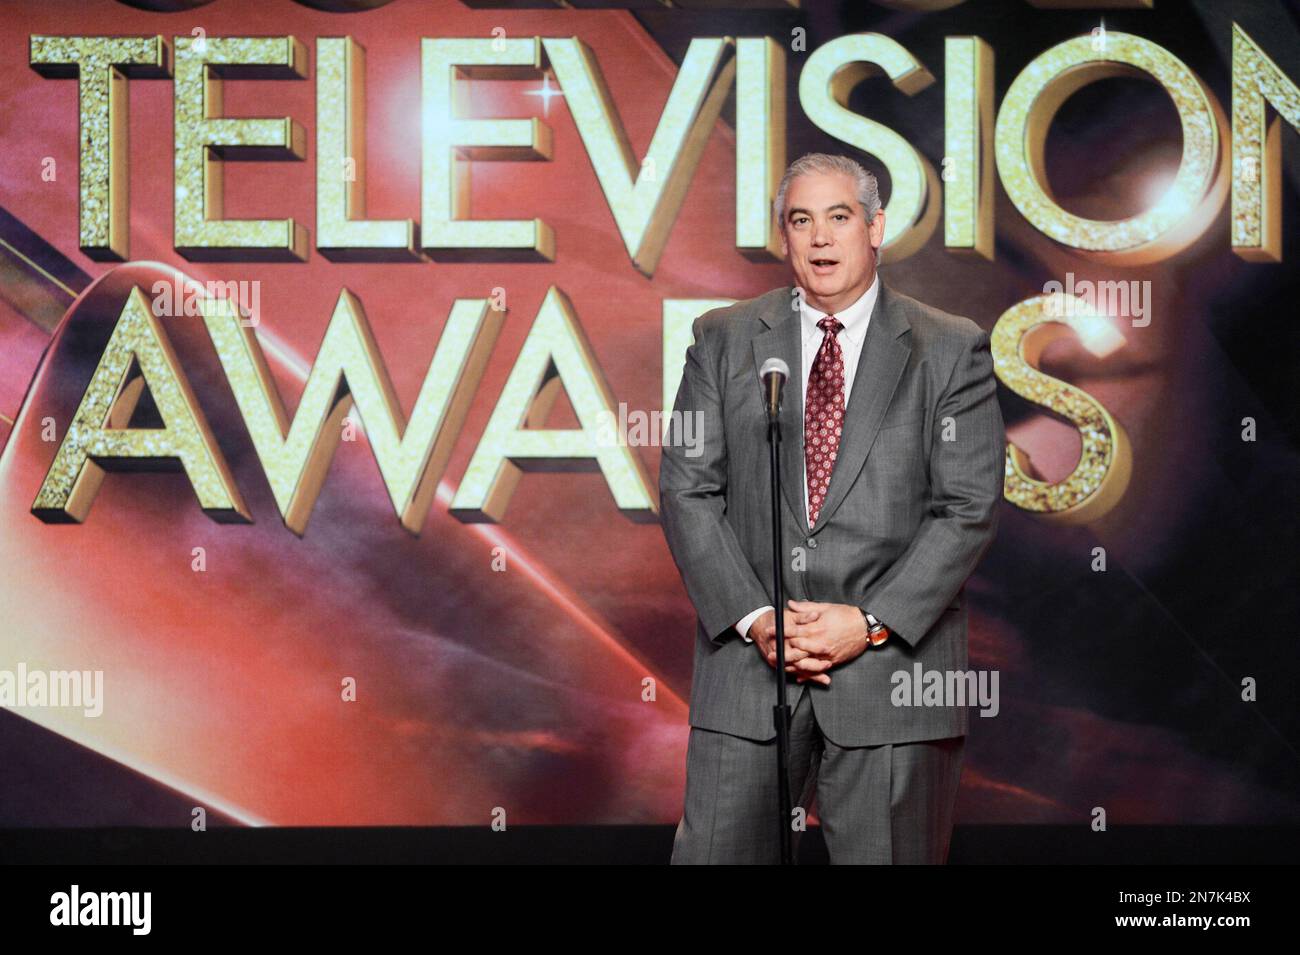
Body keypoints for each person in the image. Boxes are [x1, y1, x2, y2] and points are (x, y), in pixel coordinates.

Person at [659, 152, 1005, 864]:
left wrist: (870, 623)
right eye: (801, 220)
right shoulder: (722, 339)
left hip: (893, 684)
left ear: (876, 228)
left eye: (839, 218)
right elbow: (687, 488)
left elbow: (967, 506)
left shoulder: (949, 346)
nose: (820, 239)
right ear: (783, 236)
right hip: (750, 680)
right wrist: (759, 619)